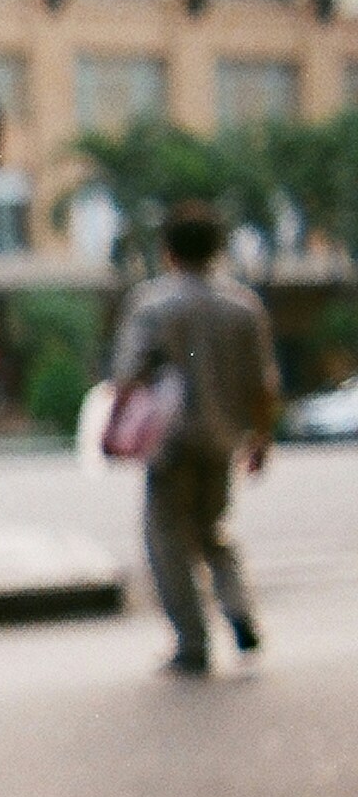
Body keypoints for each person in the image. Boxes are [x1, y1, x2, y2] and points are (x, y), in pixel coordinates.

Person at [109, 202, 281, 675]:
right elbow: (263, 385)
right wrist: (260, 439)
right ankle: (239, 611)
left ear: (168, 251)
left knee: (166, 540)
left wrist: (112, 428)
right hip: (222, 439)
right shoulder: (243, 307)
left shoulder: (152, 304)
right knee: (212, 534)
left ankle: (192, 642)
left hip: (170, 445)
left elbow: (129, 374)